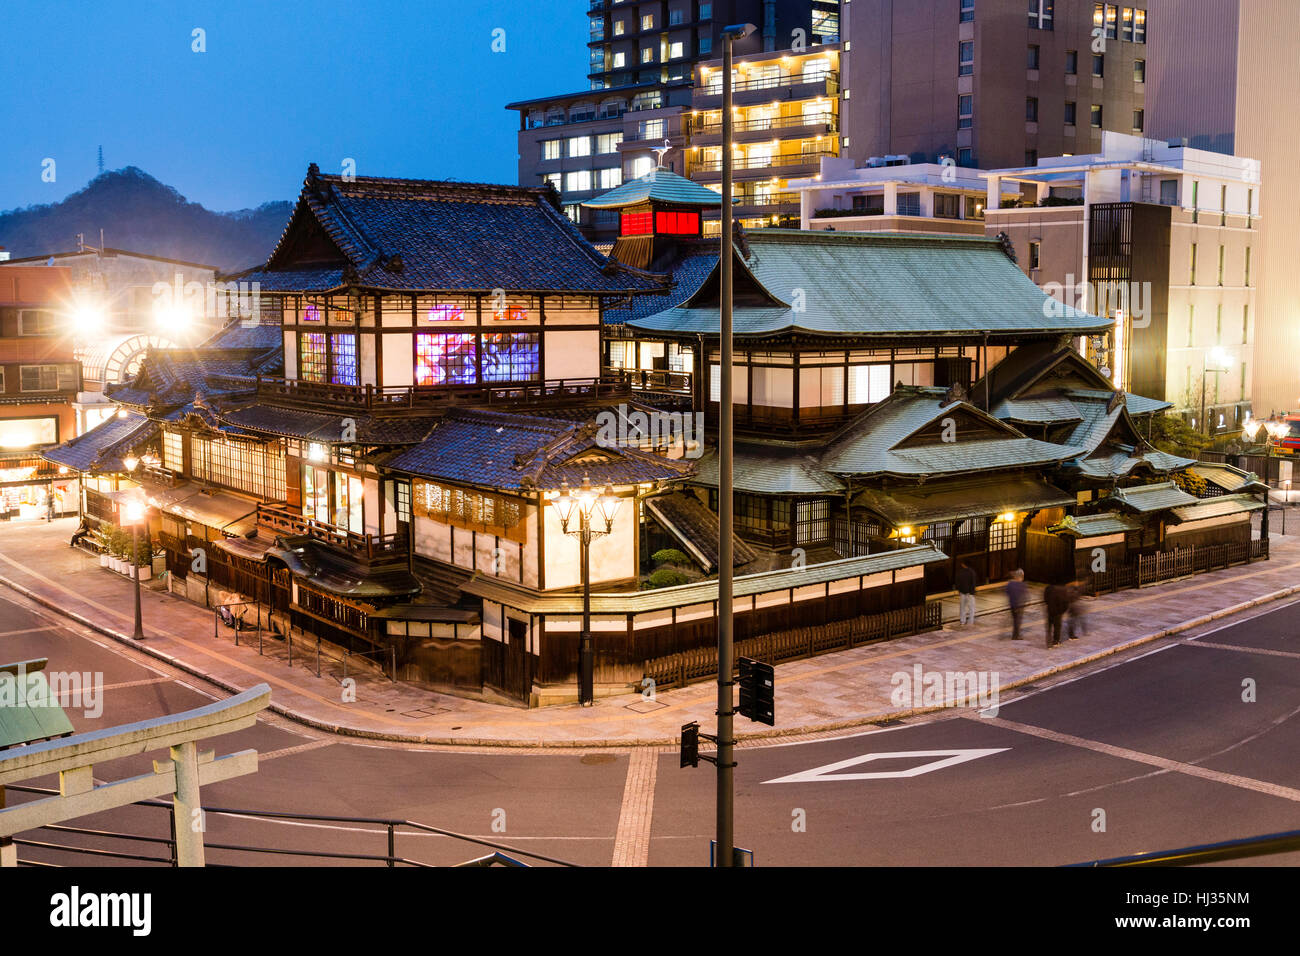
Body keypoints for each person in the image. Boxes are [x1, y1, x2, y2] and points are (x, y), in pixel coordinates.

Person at [1044, 582, 1070, 648]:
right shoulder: (1063, 589)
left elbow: (1045, 599)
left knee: (1049, 626)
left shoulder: (1048, 587)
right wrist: (1062, 611)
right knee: (1057, 626)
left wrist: (1049, 605)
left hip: (1050, 609)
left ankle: (1048, 641)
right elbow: (1066, 602)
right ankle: (1056, 641)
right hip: (1058, 612)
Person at [1005, 569, 1028, 640]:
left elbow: (1007, 592)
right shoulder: (1022, 585)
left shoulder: (1010, 584)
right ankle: (1016, 636)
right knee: (1018, 621)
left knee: (1015, 620)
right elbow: (1025, 595)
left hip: (1012, 605)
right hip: (1019, 606)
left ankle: (1015, 635)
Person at [954, 561, 978, 626]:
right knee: (971, 608)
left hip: (962, 592)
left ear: (963, 564)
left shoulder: (960, 572)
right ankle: (970, 621)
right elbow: (973, 583)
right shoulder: (972, 572)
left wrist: (959, 590)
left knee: (962, 607)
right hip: (970, 593)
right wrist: (972, 592)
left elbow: (957, 582)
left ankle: (962, 621)